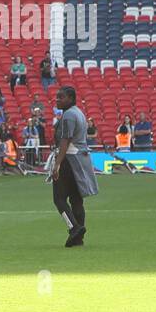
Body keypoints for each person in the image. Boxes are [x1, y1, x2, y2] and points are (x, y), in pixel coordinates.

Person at [50, 85, 97, 247]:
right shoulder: (78, 112)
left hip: (69, 159)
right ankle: (79, 238)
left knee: (59, 198)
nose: (57, 100)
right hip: (79, 159)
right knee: (77, 199)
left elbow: (65, 140)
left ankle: (74, 228)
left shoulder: (69, 115)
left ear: (70, 98)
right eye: (57, 97)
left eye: (61, 97)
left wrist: (57, 164)